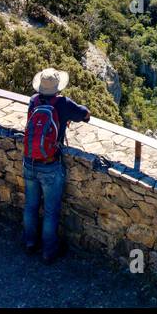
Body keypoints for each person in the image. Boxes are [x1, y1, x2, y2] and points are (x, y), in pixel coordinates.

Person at [23, 67, 90, 263]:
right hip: (50, 164)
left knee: (30, 205)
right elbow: (85, 114)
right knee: (51, 210)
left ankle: (29, 242)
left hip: (29, 160)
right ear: (58, 87)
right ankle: (49, 251)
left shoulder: (34, 101)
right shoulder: (62, 103)